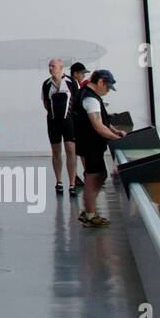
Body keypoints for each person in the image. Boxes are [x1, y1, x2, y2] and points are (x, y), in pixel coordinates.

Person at [72, 70, 125, 228]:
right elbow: (98, 126)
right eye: (107, 87)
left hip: (88, 143)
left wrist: (115, 131)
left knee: (99, 175)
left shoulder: (86, 94)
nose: (107, 91)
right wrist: (118, 139)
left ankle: (89, 210)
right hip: (90, 144)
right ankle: (90, 215)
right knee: (93, 177)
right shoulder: (90, 98)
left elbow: (103, 121)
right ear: (100, 82)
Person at [41, 58, 82, 196]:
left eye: (53, 66)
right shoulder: (46, 84)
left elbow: (78, 100)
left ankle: (72, 183)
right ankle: (59, 182)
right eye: (49, 66)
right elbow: (46, 103)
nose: (50, 68)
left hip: (69, 122)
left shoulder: (72, 82)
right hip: (53, 122)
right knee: (56, 152)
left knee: (71, 151)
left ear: (61, 67)